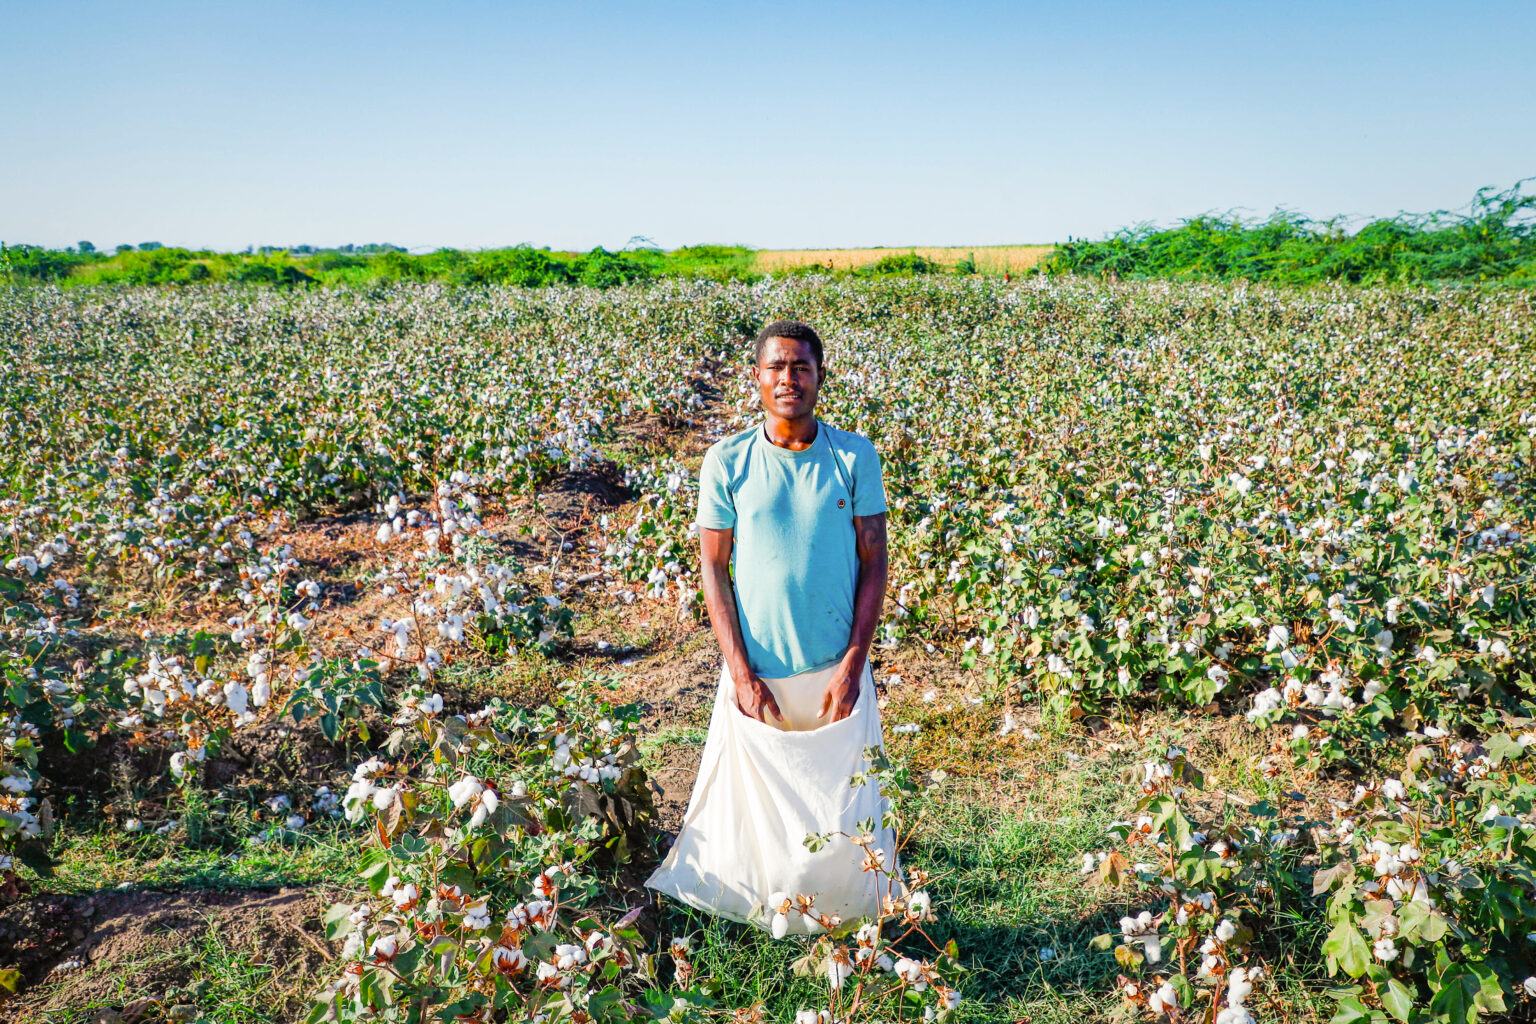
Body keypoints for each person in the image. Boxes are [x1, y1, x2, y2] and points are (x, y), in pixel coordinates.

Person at [645, 319, 899, 936]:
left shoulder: (852, 457)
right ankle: (766, 921)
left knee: (844, 810)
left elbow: (875, 559)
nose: (789, 379)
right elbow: (713, 567)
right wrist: (740, 674)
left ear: (819, 378)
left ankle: (844, 919)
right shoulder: (726, 461)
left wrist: (853, 664)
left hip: (835, 667)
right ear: (757, 378)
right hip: (757, 670)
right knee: (754, 824)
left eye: (801, 368)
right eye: (777, 368)